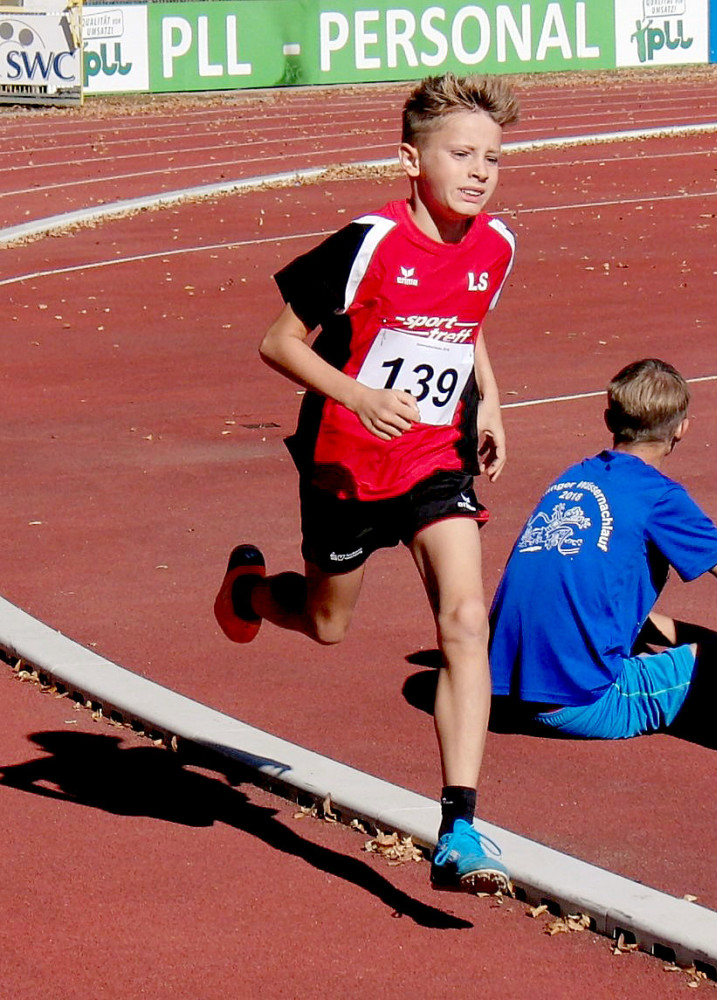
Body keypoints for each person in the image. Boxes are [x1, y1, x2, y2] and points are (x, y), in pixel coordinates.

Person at [214, 73, 520, 893]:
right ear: (410, 159)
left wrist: (488, 401)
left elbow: (467, 323)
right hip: (347, 461)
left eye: (493, 156)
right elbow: (278, 343)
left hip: (433, 458)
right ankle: (249, 595)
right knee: (325, 623)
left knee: (464, 619)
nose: (481, 170)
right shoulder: (370, 242)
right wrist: (355, 394)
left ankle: (460, 827)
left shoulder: (497, 244)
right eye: (462, 153)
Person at [489, 358, 717, 741]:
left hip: (497, 690)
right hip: (584, 702)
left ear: (609, 420)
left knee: (667, 629)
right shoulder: (660, 497)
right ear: (681, 428)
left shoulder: (573, 476)